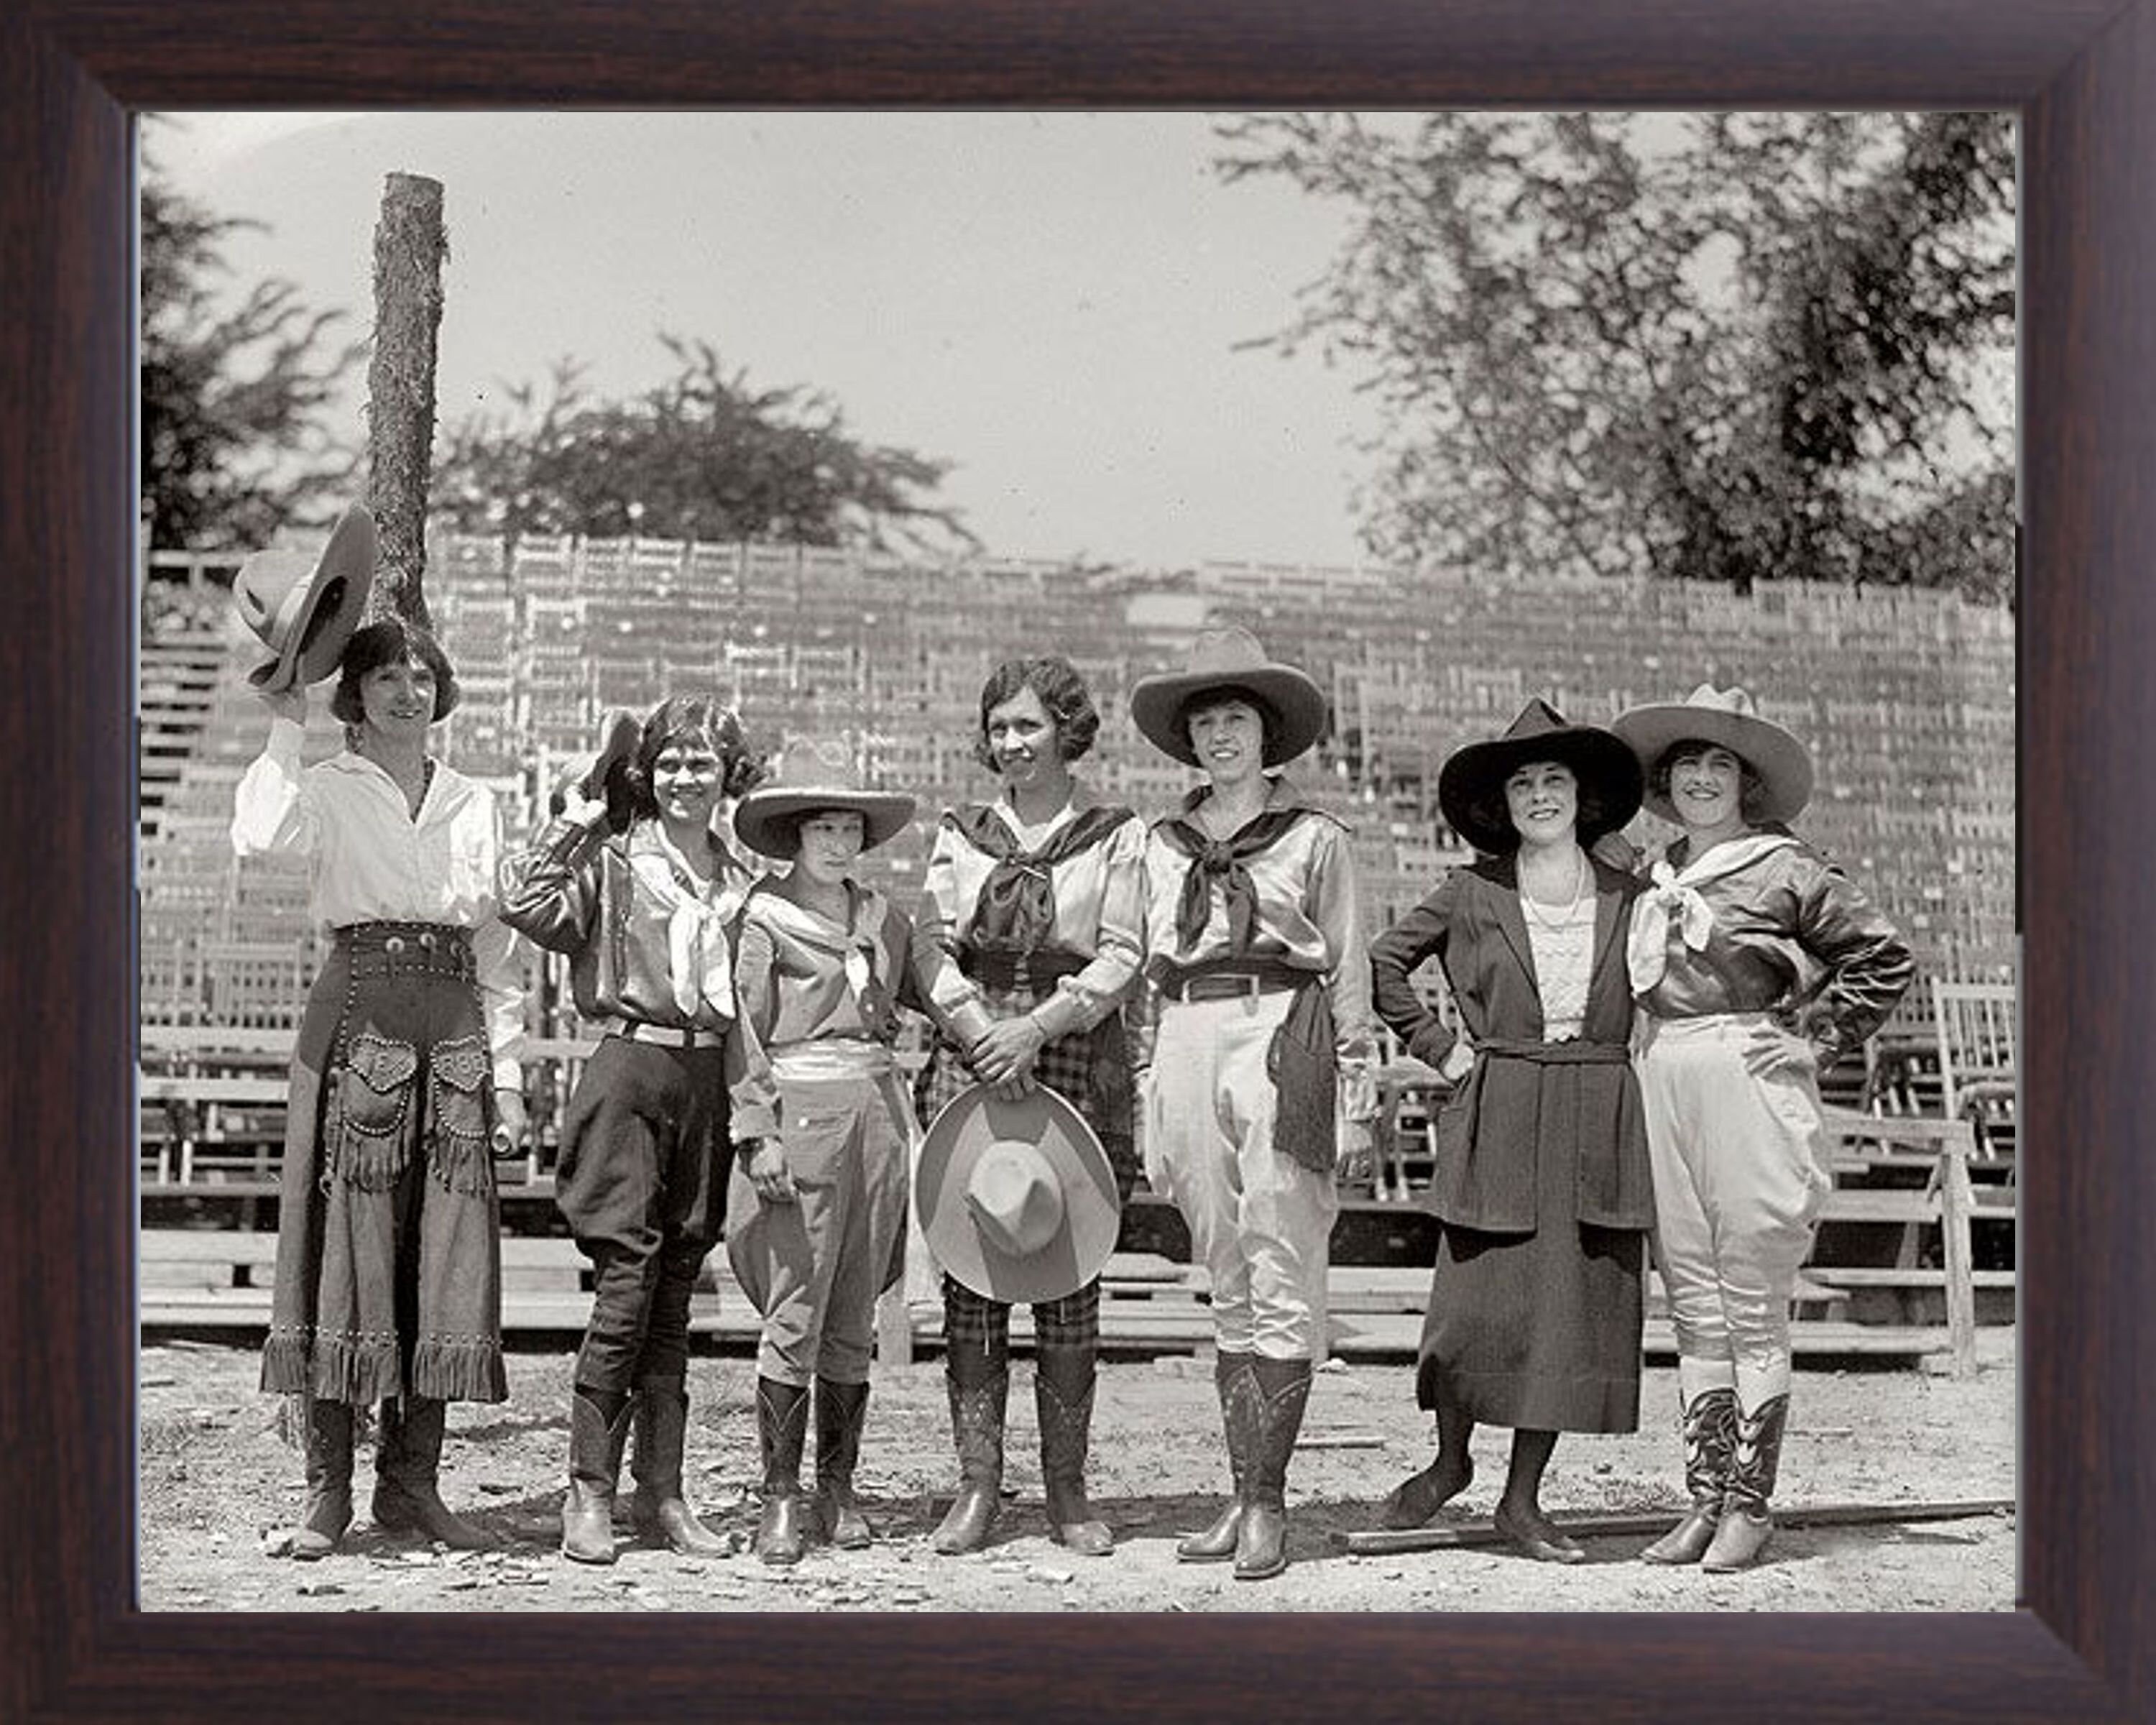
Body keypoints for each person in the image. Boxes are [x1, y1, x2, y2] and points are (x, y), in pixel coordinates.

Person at [234, 606, 525, 1561]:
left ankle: (413, 1488)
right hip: (356, 1011)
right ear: (354, 693)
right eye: (389, 676)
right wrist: (286, 718)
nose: (409, 690)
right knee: (342, 1254)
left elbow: (499, 952)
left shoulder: (478, 800)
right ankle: (328, 1495)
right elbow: (260, 839)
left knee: (442, 1258)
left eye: (424, 676)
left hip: (455, 1032)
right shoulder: (325, 783)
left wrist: (509, 1077)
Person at [1611, 683, 1914, 1571]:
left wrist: (1814, 1038)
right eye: (1687, 766)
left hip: (1747, 1066)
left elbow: (1882, 953)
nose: (1702, 779)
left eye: (1720, 765)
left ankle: (1752, 1503)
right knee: (1691, 1297)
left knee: (1750, 1291)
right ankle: (1703, 1499)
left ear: (1746, 782)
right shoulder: (1651, 873)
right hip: (1661, 1066)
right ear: (1667, 784)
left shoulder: (1785, 866)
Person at [1367, 698, 1654, 1563]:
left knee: (1569, 1313)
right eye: (1523, 782)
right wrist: (1443, 1051)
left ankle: (1521, 1502)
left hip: (1597, 1104)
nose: (1539, 795)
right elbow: (1384, 962)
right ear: (1504, 803)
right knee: (1475, 1305)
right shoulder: (1471, 890)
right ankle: (1449, 1461)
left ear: (1582, 796)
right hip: (1500, 1098)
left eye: (1553, 780)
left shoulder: (1636, 897)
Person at [1127, 627, 1378, 1582]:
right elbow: (1149, 971)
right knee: (1223, 1262)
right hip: (1189, 1027)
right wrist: (1153, 1086)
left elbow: (1347, 965)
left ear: (1267, 736)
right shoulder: (1159, 844)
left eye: (1236, 718)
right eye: (1205, 722)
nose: (1220, 735)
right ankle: (1239, 1492)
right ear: (1188, 741)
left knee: (1281, 1248)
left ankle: (1271, 1503)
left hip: (1283, 1027)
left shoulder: (1315, 839)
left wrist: (1355, 1092)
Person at [497, 696, 765, 1565]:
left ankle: (668, 1494)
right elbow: (523, 904)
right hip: (628, 1069)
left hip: (706, 1079)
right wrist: (579, 817)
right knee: (626, 1286)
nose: (688, 777)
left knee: (679, 1289)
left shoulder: (739, 878)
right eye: (672, 762)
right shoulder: (615, 863)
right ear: (648, 775)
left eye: (705, 762)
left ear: (729, 775)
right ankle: (590, 1492)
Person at [910, 656, 1147, 1557]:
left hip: (1071, 1045)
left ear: (1067, 731)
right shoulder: (960, 833)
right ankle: (976, 1486)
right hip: (973, 1046)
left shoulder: (1114, 834)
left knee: (1066, 1270)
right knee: (977, 1269)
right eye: (1000, 728)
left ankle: (1067, 1491)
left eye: (1029, 727)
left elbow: (1122, 954)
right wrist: (979, 1029)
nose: (1012, 744)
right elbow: (930, 948)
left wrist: (1037, 1030)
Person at [721, 737, 919, 1565]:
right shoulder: (763, 920)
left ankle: (838, 1487)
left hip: (876, 1110)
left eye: (850, 829)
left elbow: (933, 991)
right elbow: (744, 1030)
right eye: (823, 829)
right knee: (796, 1303)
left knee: (853, 1308)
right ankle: (780, 1495)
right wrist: (756, 1129)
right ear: (795, 836)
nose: (838, 844)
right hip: (802, 1113)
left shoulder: (884, 920)